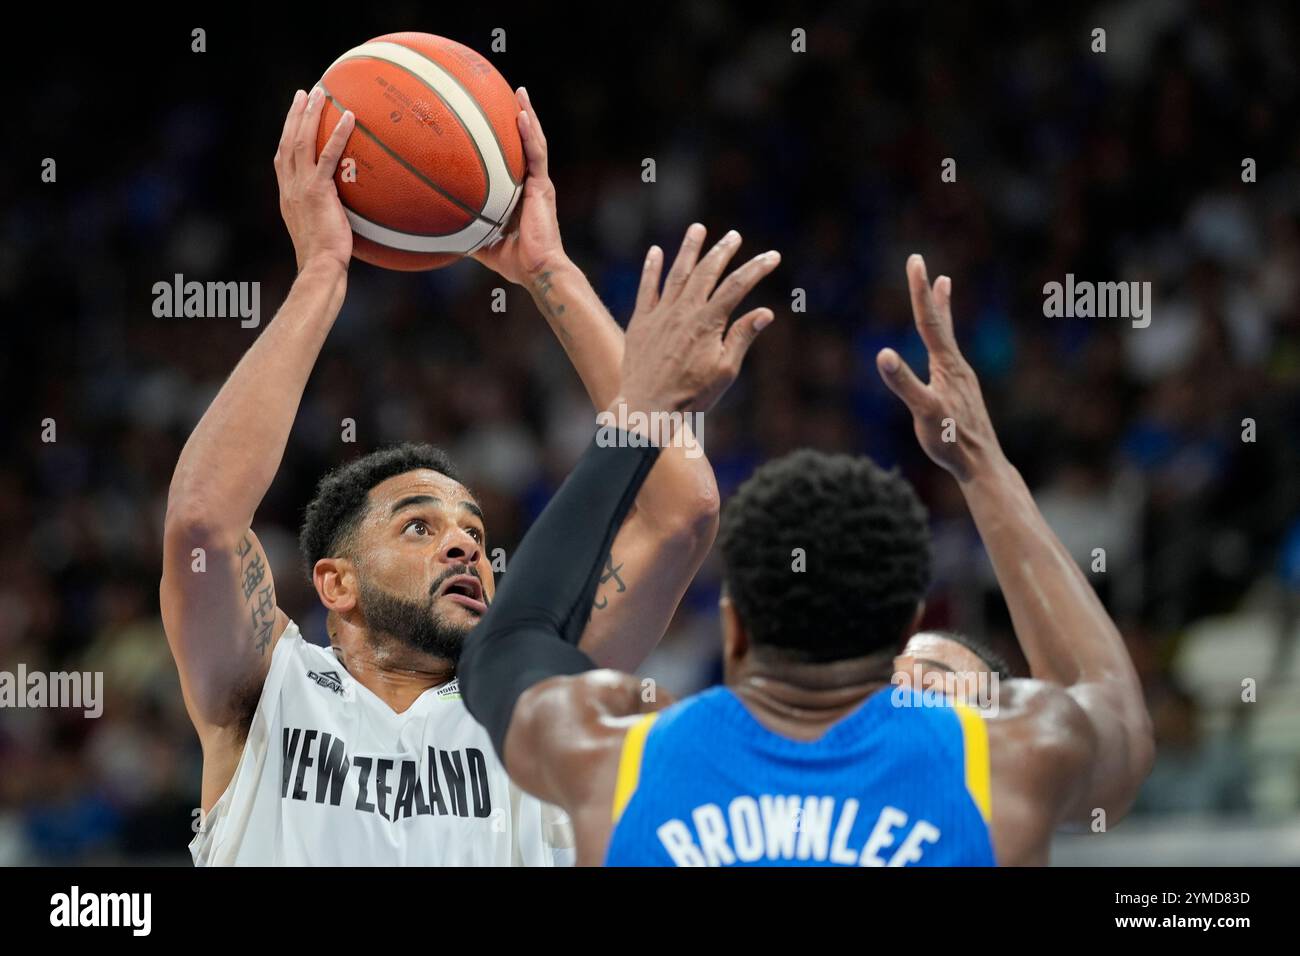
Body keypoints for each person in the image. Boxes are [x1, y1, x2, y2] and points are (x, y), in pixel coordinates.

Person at [161, 85, 779, 864]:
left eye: (475, 534)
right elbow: (202, 524)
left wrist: (546, 269)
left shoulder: (531, 698)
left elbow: (680, 513)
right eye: (419, 526)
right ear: (334, 582)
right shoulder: (266, 690)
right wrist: (320, 274)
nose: (465, 549)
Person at [458, 254, 1155, 867]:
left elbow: (510, 640)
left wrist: (640, 408)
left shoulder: (611, 762)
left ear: (732, 629)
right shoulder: (1009, 764)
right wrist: (980, 463)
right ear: (903, 624)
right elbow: (1116, 710)